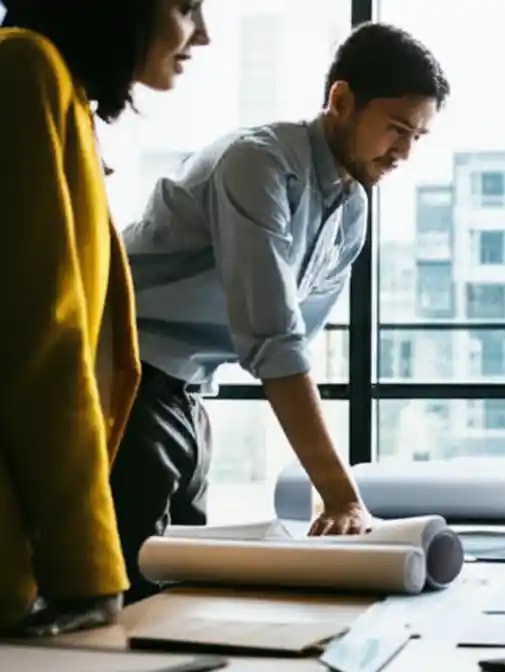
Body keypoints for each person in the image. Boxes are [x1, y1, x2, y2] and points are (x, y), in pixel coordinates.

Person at [112, 21, 450, 603]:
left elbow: (293, 347)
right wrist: (340, 495)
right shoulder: (257, 163)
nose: (404, 153)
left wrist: (333, 496)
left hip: (189, 395)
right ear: (341, 100)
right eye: (396, 129)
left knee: (180, 587)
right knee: (128, 591)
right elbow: (274, 344)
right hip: (123, 377)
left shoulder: (351, 209)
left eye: (417, 136)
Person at [0, 0, 209, 635]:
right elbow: (45, 344)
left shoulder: (55, 88)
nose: (201, 34)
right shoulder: (24, 66)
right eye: (184, 7)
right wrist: (85, 571)